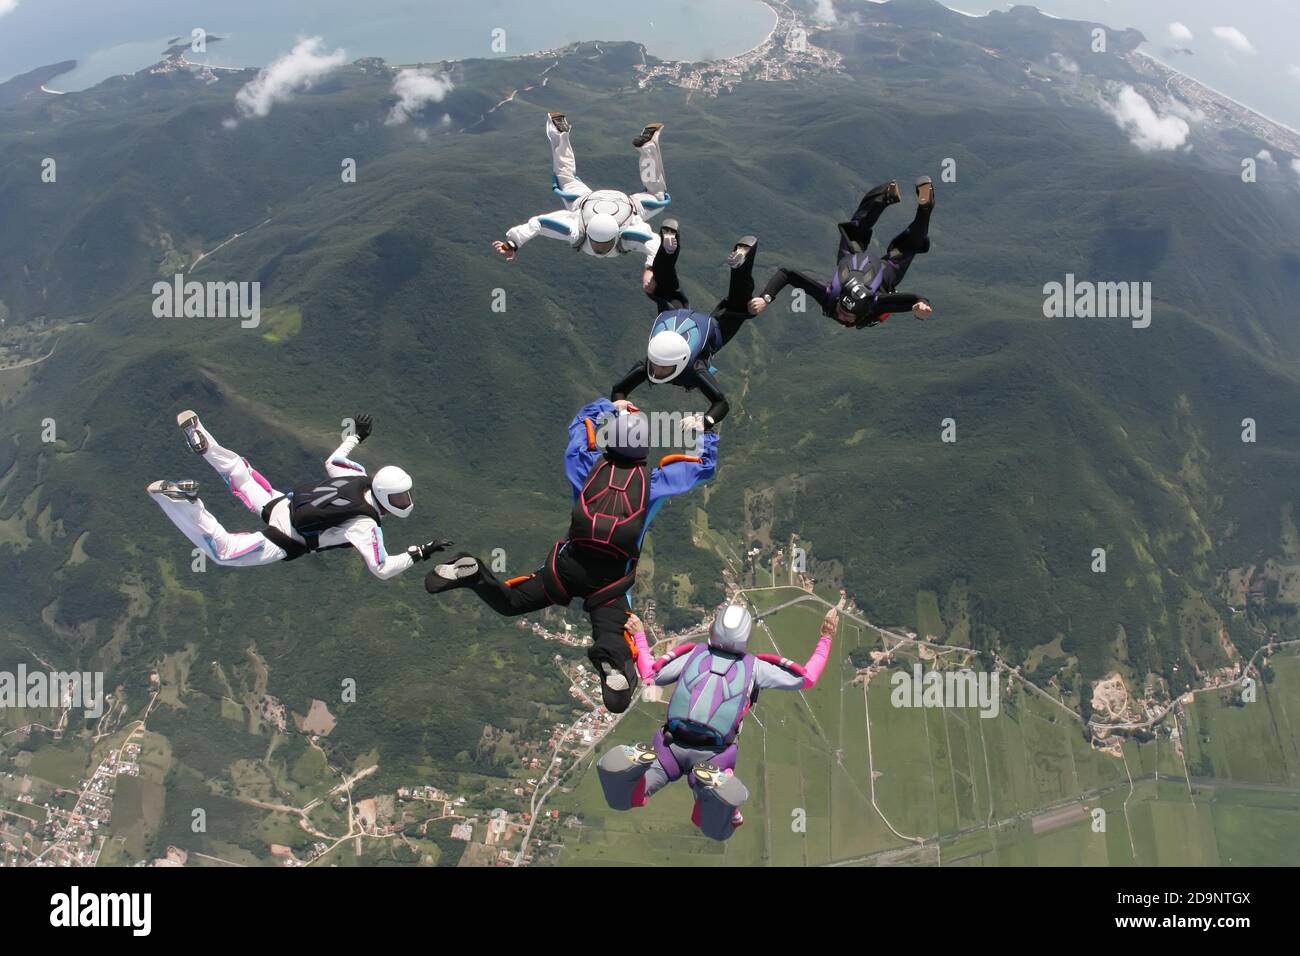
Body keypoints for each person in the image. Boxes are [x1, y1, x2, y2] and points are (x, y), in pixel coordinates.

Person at [424, 399, 717, 713]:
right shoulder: (653, 484)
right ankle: (611, 665)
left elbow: (579, 425)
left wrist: (608, 406)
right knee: (610, 635)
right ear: (644, 448)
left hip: (567, 567)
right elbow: (704, 468)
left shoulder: (584, 465)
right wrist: (707, 430)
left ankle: (475, 574)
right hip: (609, 584)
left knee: (511, 602)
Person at [596, 600, 838, 841]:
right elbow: (807, 678)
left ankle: (632, 766)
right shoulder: (755, 667)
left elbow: (650, 673)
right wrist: (826, 637)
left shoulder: (693, 654)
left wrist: (639, 635)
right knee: (716, 826)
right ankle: (717, 790)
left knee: (624, 799)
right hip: (714, 756)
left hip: (670, 747)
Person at [146, 411, 448, 577]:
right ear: (383, 496)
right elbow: (382, 568)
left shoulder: (358, 477)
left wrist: (356, 436)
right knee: (223, 552)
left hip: (282, 503)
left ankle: (203, 438)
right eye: (400, 498)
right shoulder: (366, 525)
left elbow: (333, 462)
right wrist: (420, 552)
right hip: (286, 537)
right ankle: (187, 503)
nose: (404, 503)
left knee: (239, 474)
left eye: (405, 496)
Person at [493, 113, 671, 293]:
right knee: (656, 195)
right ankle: (646, 147)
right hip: (608, 203)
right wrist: (513, 243)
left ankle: (560, 133)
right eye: (600, 244)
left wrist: (513, 243)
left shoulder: (580, 232)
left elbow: (539, 223)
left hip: (599, 202)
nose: (600, 249)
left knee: (565, 176)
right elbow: (539, 223)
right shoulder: (623, 235)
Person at [610, 234, 759, 429]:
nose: (658, 370)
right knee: (666, 290)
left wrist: (705, 422)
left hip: (708, 329)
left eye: (662, 367)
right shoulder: (650, 364)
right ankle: (669, 248)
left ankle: (741, 258)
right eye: (656, 365)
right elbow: (618, 391)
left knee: (737, 306)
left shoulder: (696, 369)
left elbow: (721, 403)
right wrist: (619, 406)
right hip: (675, 320)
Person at [750, 177, 936, 328]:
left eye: (843, 313)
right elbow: (787, 275)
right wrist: (920, 306)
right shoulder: (875, 302)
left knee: (898, 243)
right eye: (845, 313)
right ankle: (910, 203)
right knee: (886, 239)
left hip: (857, 262)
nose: (842, 317)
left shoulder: (834, 297)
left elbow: (788, 274)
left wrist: (765, 298)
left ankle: (898, 199)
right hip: (864, 265)